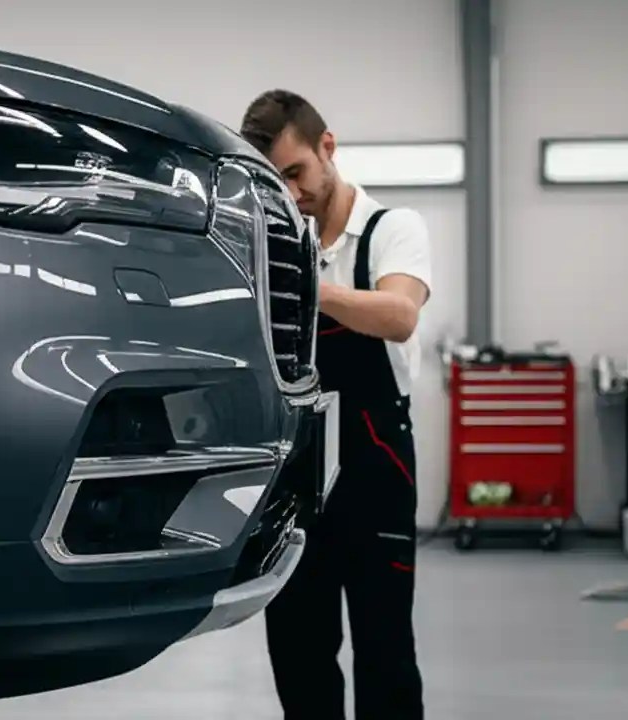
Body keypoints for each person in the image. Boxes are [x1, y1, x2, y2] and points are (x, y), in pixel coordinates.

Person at [240, 89, 431, 720]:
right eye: (276, 180)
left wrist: (305, 287)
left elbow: (399, 314)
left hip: (375, 468)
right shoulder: (266, 245)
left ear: (328, 147)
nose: (291, 193)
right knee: (299, 655)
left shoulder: (391, 229)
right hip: (292, 476)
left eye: (296, 172)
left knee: (385, 653)